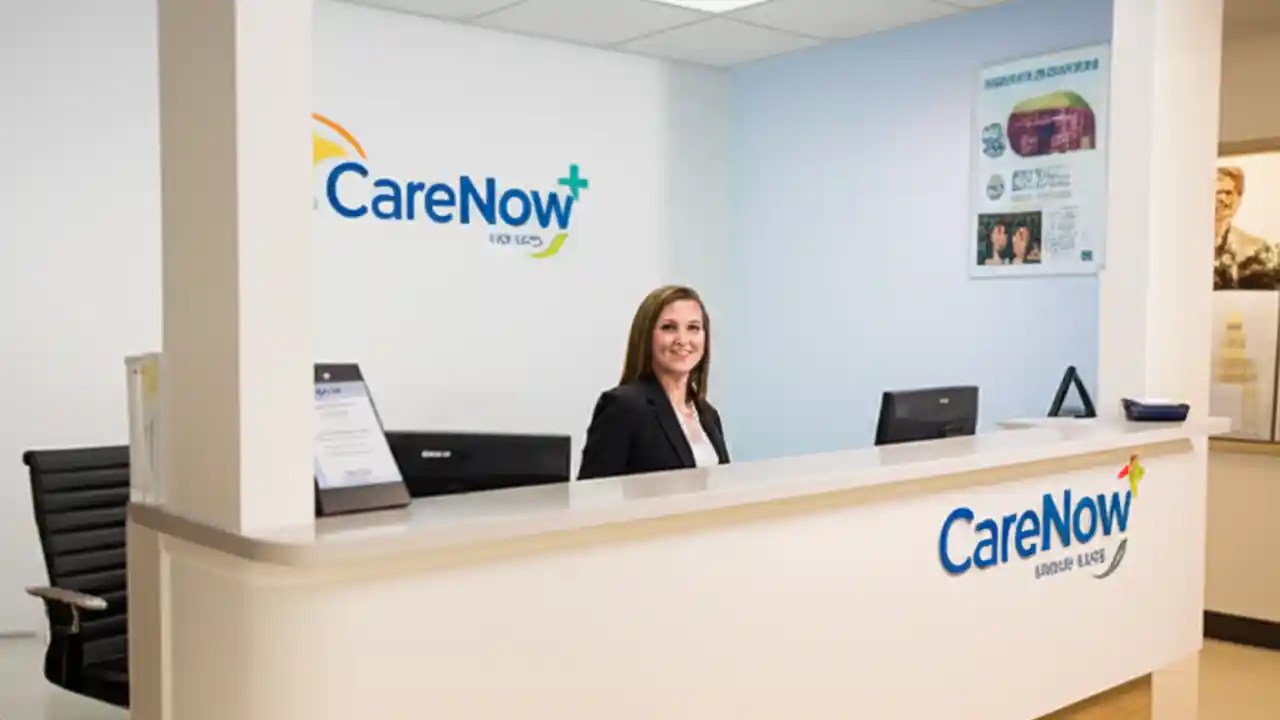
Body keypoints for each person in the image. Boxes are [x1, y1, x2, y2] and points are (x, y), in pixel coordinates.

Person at [578, 285, 729, 480]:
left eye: (693, 328)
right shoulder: (623, 406)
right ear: (646, 336)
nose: (683, 340)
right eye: (669, 327)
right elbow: (593, 494)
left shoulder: (708, 414)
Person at [1214, 166, 1278, 290]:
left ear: (1239, 198)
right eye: (1216, 192)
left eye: (1228, 193)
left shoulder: (1256, 249)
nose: (1221, 198)